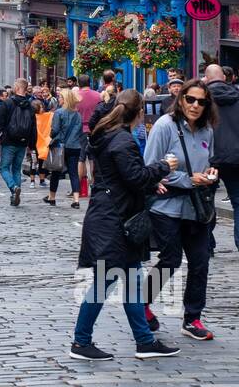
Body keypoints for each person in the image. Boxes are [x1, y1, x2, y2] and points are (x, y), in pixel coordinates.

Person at [71, 90, 181, 361]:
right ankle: (81, 342)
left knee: (132, 282)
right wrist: (163, 167)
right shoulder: (122, 140)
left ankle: (144, 341)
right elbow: (134, 176)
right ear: (139, 112)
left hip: (113, 217)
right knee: (104, 283)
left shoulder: (110, 135)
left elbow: (122, 178)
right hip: (113, 222)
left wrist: (151, 182)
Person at [143, 79, 219, 342]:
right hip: (167, 207)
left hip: (196, 207)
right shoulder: (165, 126)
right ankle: (142, 305)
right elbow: (151, 168)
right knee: (171, 260)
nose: (195, 106)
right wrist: (188, 179)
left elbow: (207, 162)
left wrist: (210, 173)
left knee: (200, 262)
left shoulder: (207, 130)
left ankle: (192, 318)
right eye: (191, 99)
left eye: (201, 101)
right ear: (181, 99)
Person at [204, 64, 239, 261]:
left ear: (206, 78)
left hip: (211, 160)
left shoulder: (202, 100)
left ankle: (208, 245)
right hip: (237, 159)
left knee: (207, 200)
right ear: (225, 78)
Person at [0, 78, 35, 207]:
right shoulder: (30, 105)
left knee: (4, 168)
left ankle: (13, 188)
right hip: (23, 142)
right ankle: (15, 193)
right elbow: (34, 127)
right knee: (16, 169)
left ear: (17, 88)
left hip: (9, 141)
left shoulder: (8, 103)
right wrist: (31, 144)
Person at [45, 88, 83, 207]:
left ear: (65, 99)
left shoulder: (59, 112)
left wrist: (50, 135)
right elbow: (80, 131)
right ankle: (76, 200)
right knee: (73, 173)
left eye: (60, 97)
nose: (59, 99)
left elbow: (55, 130)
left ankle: (52, 197)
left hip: (60, 145)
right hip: (75, 146)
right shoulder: (77, 114)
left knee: (55, 172)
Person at [33, 99, 54, 187]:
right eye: (40, 107)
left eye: (42, 106)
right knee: (33, 162)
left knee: (42, 162)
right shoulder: (33, 117)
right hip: (34, 142)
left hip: (43, 142)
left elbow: (51, 115)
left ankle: (42, 180)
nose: (42, 108)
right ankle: (32, 180)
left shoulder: (46, 115)